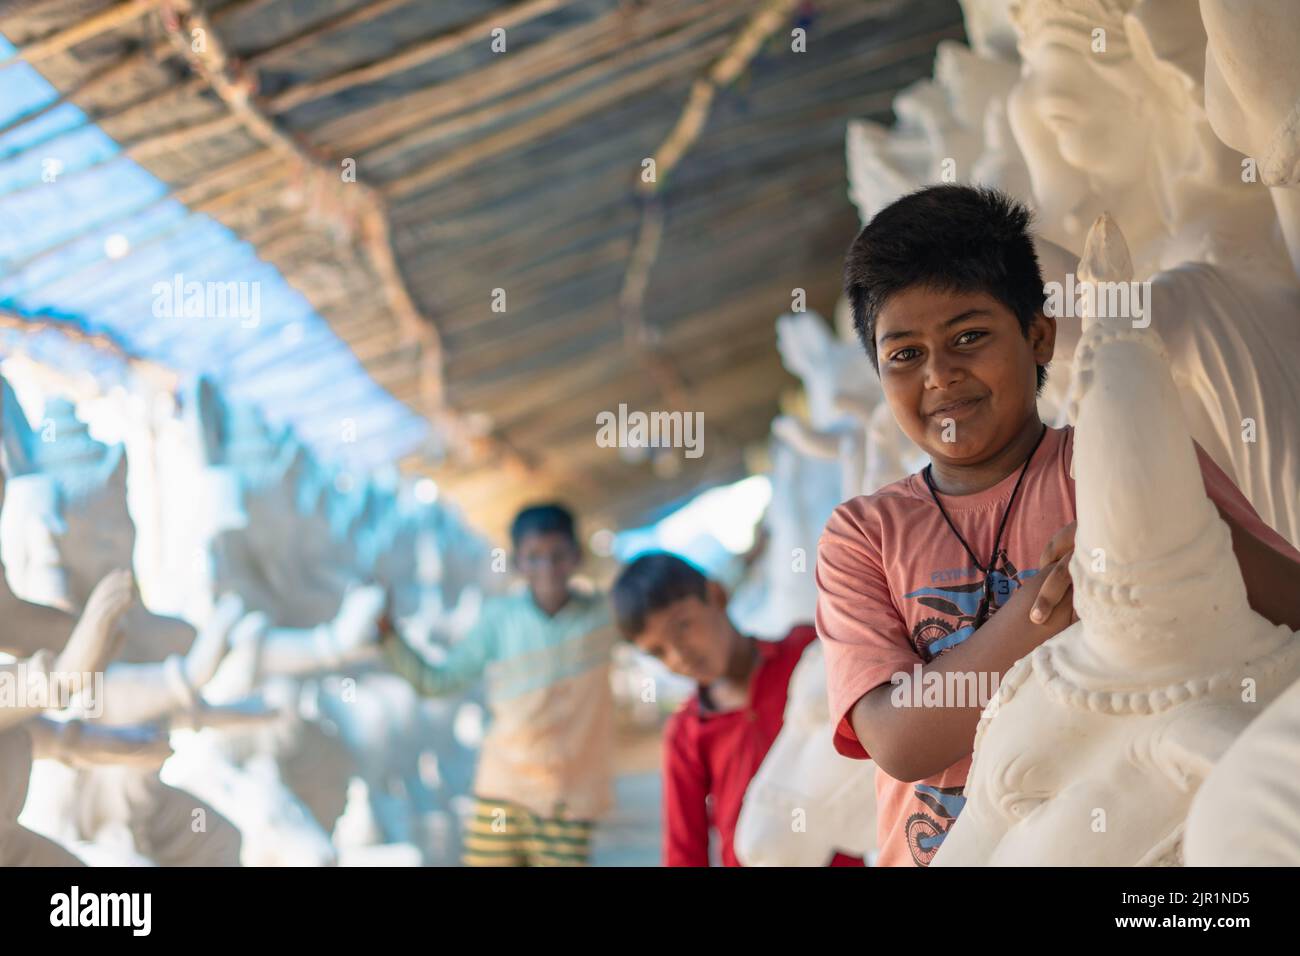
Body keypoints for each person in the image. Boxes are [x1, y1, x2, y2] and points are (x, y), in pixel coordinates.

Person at [819, 184, 1300, 866]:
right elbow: (899, 742)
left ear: (1039, 335)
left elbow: (1291, 604)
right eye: (905, 355)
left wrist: (1170, 542)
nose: (940, 375)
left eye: (969, 337)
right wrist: (1049, 610)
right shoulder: (862, 535)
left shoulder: (1114, 458)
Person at [382, 503, 615, 866]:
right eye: (534, 557)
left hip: (569, 799)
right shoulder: (498, 619)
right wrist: (389, 637)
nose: (548, 569)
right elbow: (437, 681)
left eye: (558, 555)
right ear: (516, 563)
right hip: (502, 790)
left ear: (577, 556)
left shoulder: (605, 617)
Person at [613, 551, 863, 867]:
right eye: (658, 652)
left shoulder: (807, 656)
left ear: (716, 595)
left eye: (683, 627)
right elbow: (684, 851)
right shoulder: (685, 734)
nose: (678, 655)